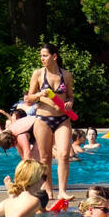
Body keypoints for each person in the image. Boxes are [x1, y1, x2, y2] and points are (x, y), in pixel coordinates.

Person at [24, 43, 77, 201]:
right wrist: (41, 94)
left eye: (45, 55)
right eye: (41, 56)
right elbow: (28, 99)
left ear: (54, 56)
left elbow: (70, 96)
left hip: (62, 119)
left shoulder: (66, 75)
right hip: (43, 119)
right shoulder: (38, 74)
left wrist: (69, 103)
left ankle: (62, 191)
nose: (42, 59)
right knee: (45, 158)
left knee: (64, 155)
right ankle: (48, 191)